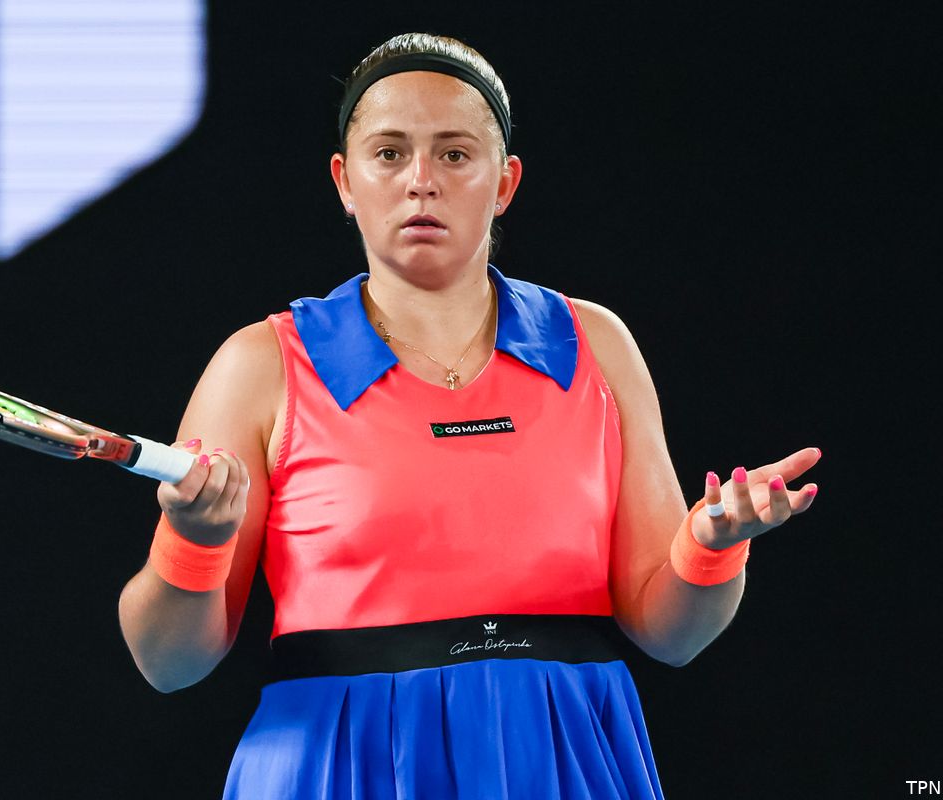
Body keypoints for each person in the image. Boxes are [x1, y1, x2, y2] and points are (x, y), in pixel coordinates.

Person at [117, 32, 821, 799]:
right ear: (344, 181)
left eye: (454, 154)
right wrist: (194, 543)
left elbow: (672, 634)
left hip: (566, 759)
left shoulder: (598, 346)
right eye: (388, 153)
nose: (421, 181)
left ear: (505, 182)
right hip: (334, 767)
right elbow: (168, 662)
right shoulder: (257, 366)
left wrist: (714, 548)